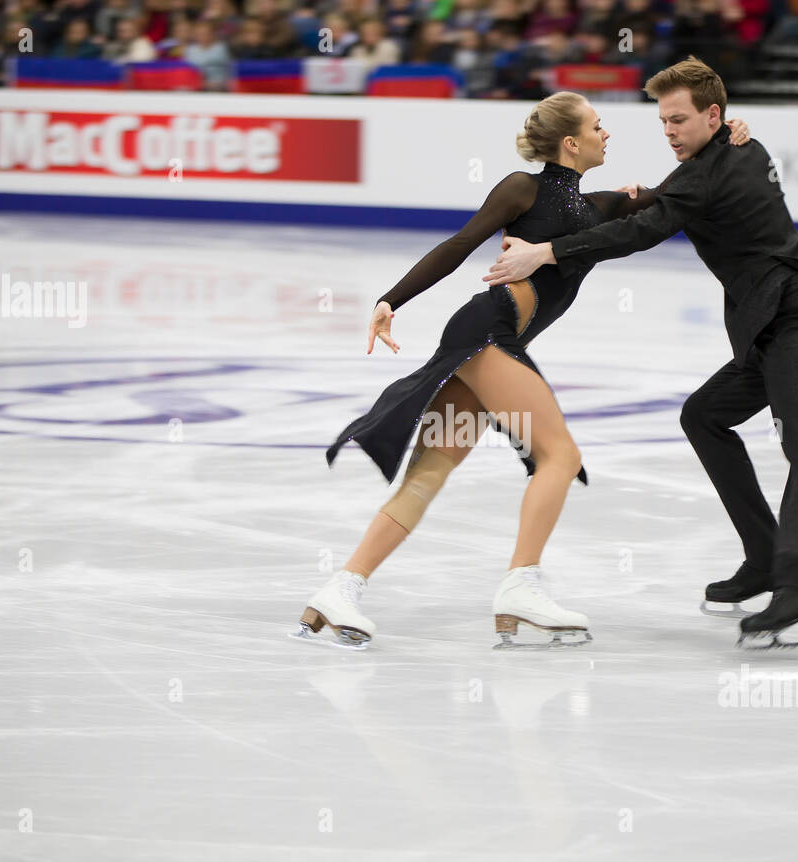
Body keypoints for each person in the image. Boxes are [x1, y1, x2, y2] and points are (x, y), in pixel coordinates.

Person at [292, 92, 750, 651]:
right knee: (559, 456)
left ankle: (340, 589)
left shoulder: (602, 206)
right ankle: (521, 584)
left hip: (487, 344)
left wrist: (727, 138)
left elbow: (680, 195)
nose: (608, 135)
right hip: (487, 334)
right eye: (598, 127)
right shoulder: (522, 188)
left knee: (427, 476)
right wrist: (392, 300)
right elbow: (460, 243)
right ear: (571, 142)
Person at [486, 56, 798, 648]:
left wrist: (546, 250)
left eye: (679, 119)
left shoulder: (712, 168)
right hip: (768, 324)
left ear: (713, 115)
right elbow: (676, 200)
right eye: (663, 122)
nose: (669, 131)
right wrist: (649, 194)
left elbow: (640, 232)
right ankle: (764, 559)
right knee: (704, 415)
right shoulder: (738, 149)